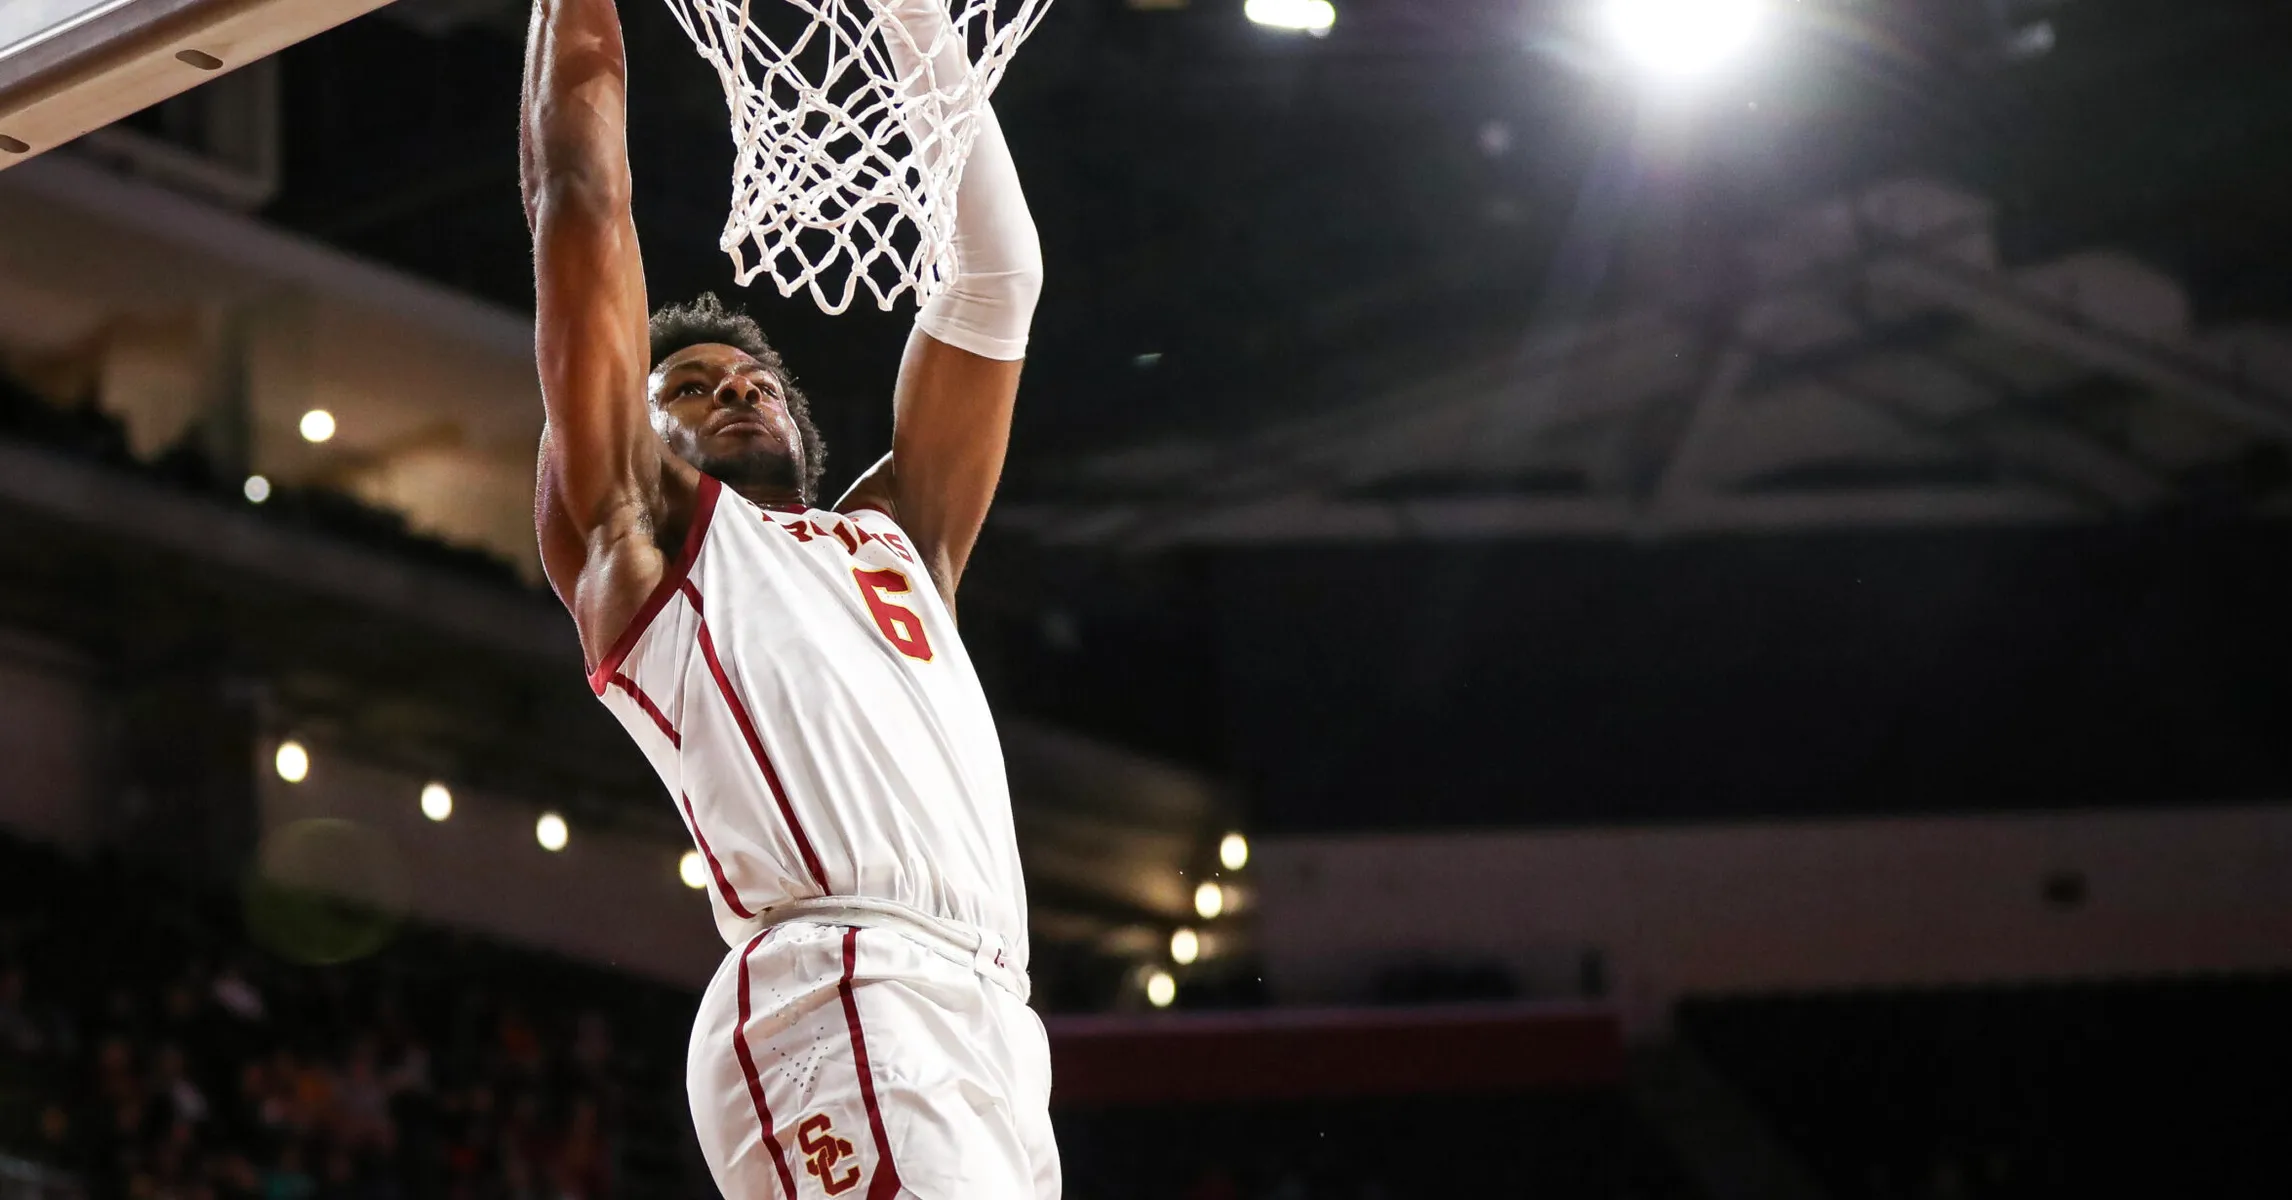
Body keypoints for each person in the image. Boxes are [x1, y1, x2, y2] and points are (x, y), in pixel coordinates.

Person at [519, 0, 1053, 1193]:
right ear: (635, 431)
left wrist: (915, 18)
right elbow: (580, 197)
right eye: (696, 385)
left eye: (755, 378)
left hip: (994, 1018)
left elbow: (995, 277)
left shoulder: (898, 535)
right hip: (838, 984)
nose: (740, 389)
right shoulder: (645, 543)